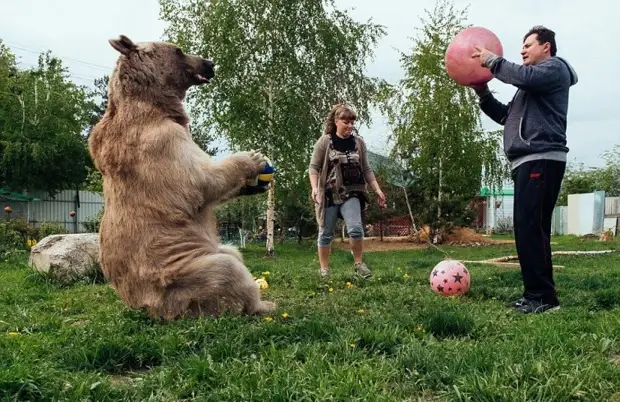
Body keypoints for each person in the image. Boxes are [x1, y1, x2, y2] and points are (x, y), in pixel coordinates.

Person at [471, 26, 578, 314]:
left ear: (546, 47)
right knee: (528, 230)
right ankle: (536, 294)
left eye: (528, 45)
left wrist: (493, 62)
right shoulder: (530, 89)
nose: (522, 50)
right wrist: (482, 93)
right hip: (528, 161)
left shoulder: (554, 69)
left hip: (542, 158)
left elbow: (522, 75)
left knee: (531, 229)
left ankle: (543, 297)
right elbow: (506, 116)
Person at [308, 103, 386, 279]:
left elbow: (367, 169)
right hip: (328, 194)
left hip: (352, 192)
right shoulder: (325, 142)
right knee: (326, 233)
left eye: (352, 122)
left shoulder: (359, 143)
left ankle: (358, 266)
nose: (350, 126)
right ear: (336, 121)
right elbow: (313, 168)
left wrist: (378, 190)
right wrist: (315, 189)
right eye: (346, 121)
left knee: (356, 229)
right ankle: (324, 271)